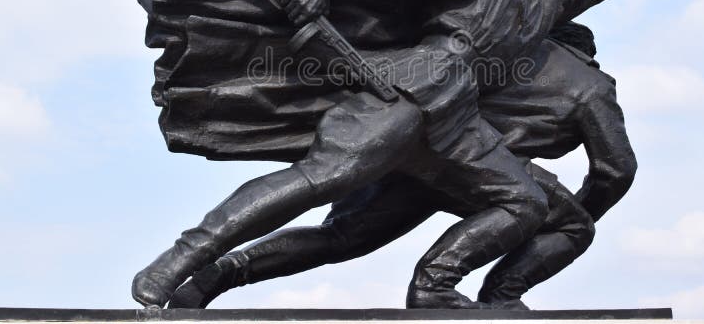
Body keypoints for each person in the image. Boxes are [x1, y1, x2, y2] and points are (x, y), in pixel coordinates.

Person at [132, 0, 687, 308]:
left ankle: (433, 289)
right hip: (415, 77)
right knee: (322, 178)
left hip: (460, 114)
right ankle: (180, 261)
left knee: (523, 200)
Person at [167, 22, 636, 309]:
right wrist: (575, 214)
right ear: (586, 52)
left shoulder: (507, 52)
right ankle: (486, 295)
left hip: (416, 148)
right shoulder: (591, 84)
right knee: (572, 226)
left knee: (341, 237)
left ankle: (221, 273)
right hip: (487, 169)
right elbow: (615, 170)